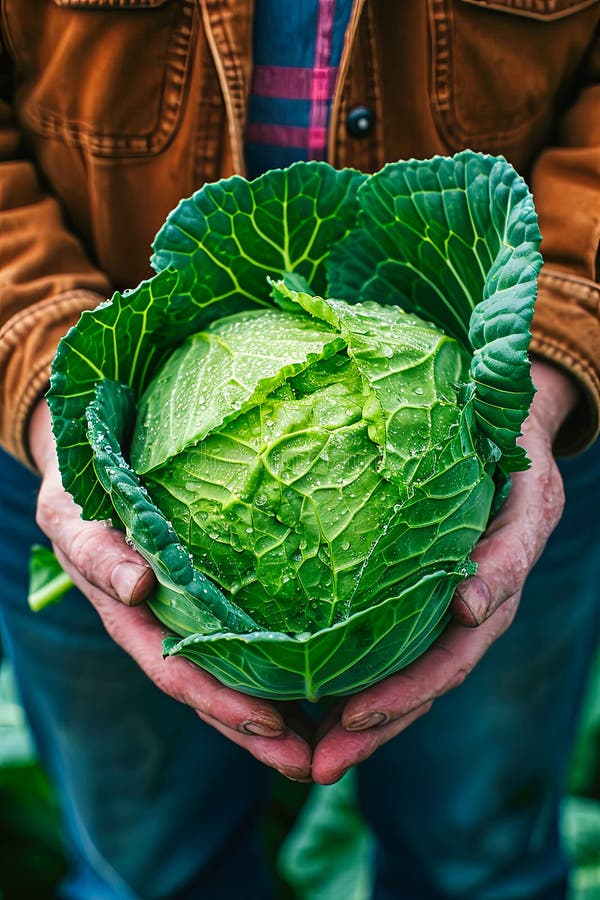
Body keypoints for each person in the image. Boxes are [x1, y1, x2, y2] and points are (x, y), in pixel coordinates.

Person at [1, 3, 599, 897]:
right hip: (62, 442)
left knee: (483, 864)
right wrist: (51, 391)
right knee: (152, 874)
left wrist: (542, 367)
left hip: (513, 457)